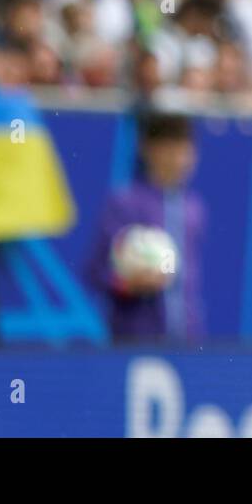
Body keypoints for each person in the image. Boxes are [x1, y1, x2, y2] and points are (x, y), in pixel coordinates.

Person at [88, 110, 205, 343]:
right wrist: (129, 283)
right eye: (170, 149)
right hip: (136, 338)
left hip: (189, 340)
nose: (179, 159)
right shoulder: (125, 203)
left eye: (185, 149)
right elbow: (96, 272)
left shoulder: (194, 208)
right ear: (148, 149)